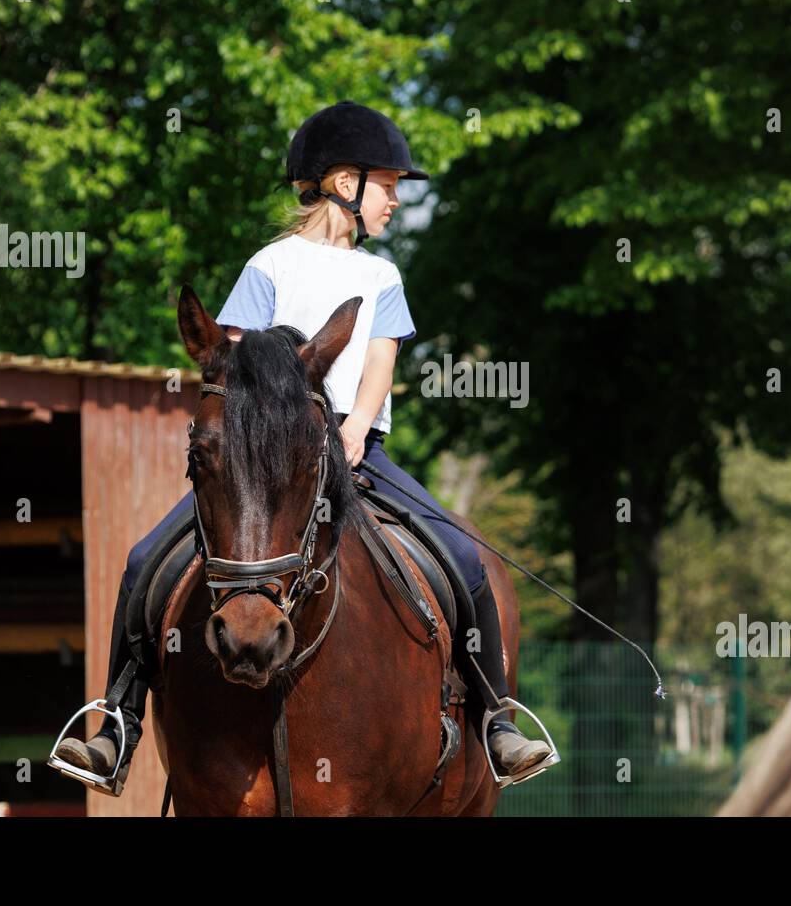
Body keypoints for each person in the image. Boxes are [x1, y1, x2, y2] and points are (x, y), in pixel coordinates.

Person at [50, 100, 553, 796]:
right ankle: (117, 725)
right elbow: (230, 361)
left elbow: (379, 361)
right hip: (272, 461)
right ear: (344, 182)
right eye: (389, 183)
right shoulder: (269, 265)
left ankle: (496, 719)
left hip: (358, 450)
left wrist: (355, 427)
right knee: (144, 562)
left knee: (466, 559)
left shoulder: (381, 277)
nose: (397, 199)